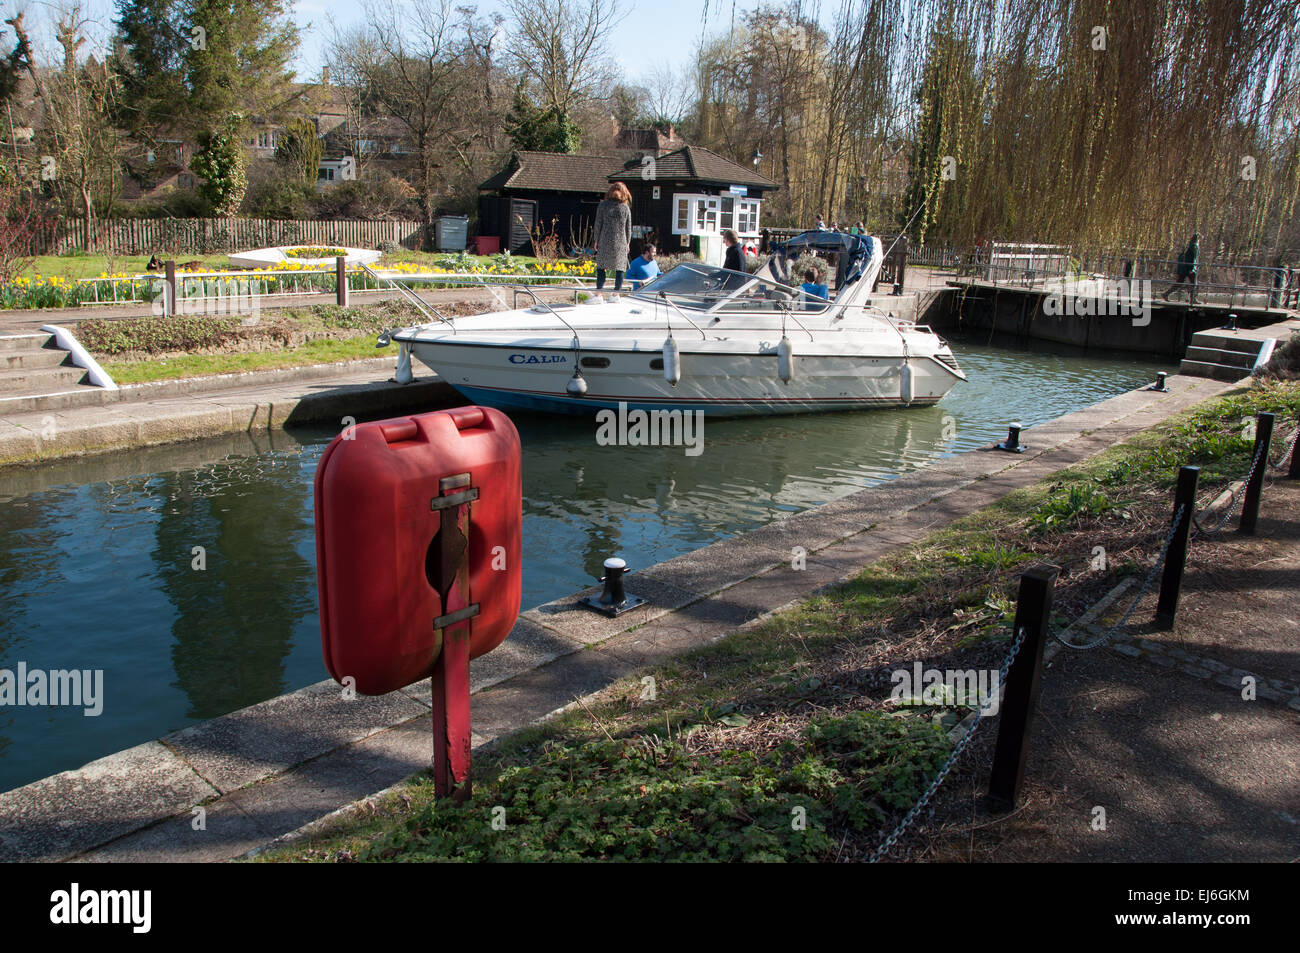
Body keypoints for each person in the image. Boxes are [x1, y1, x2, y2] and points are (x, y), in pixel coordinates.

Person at [593, 182, 633, 293]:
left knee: (601, 267)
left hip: (604, 240)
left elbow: (598, 224)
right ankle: (616, 295)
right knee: (619, 268)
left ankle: (598, 294)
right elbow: (628, 228)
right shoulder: (625, 208)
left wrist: (596, 240)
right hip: (620, 241)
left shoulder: (603, 205)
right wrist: (628, 243)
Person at [1164, 233, 1199, 303]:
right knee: (1194, 283)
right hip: (1189, 268)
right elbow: (1192, 258)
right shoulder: (1194, 246)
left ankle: (1166, 294)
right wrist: (1191, 268)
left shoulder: (1188, 246)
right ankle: (1193, 299)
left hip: (1183, 268)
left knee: (1179, 282)